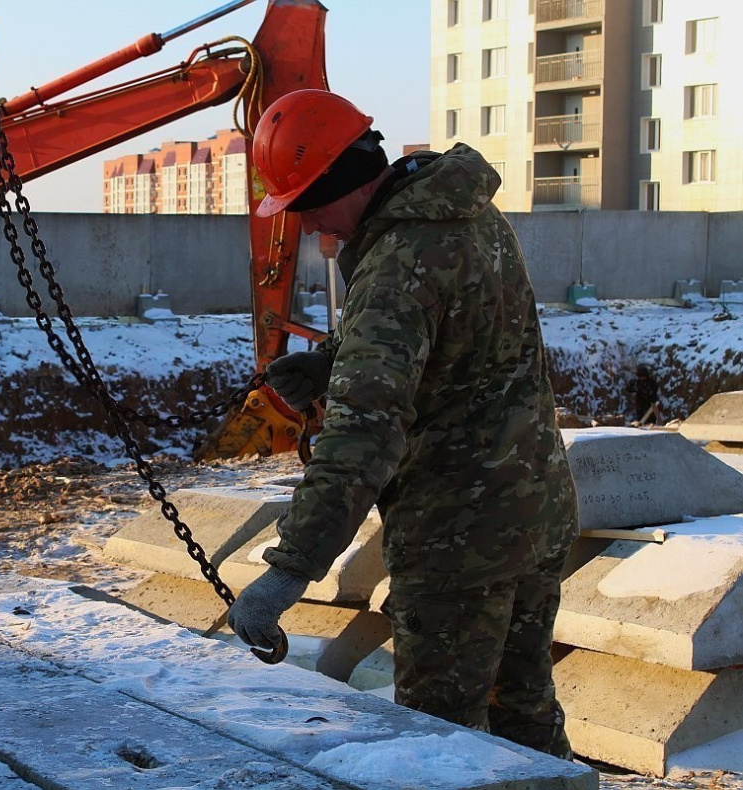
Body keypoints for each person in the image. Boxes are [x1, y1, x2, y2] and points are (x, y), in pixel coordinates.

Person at [227, 89, 580, 760]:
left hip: (456, 538)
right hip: (535, 510)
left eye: (305, 203)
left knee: (437, 746)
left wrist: (288, 571)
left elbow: (362, 436)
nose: (302, 224)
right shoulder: (465, 212)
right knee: (524, 720)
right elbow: (458, 337)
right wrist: (336, 360)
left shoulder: (393, 262)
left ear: (341, 179)